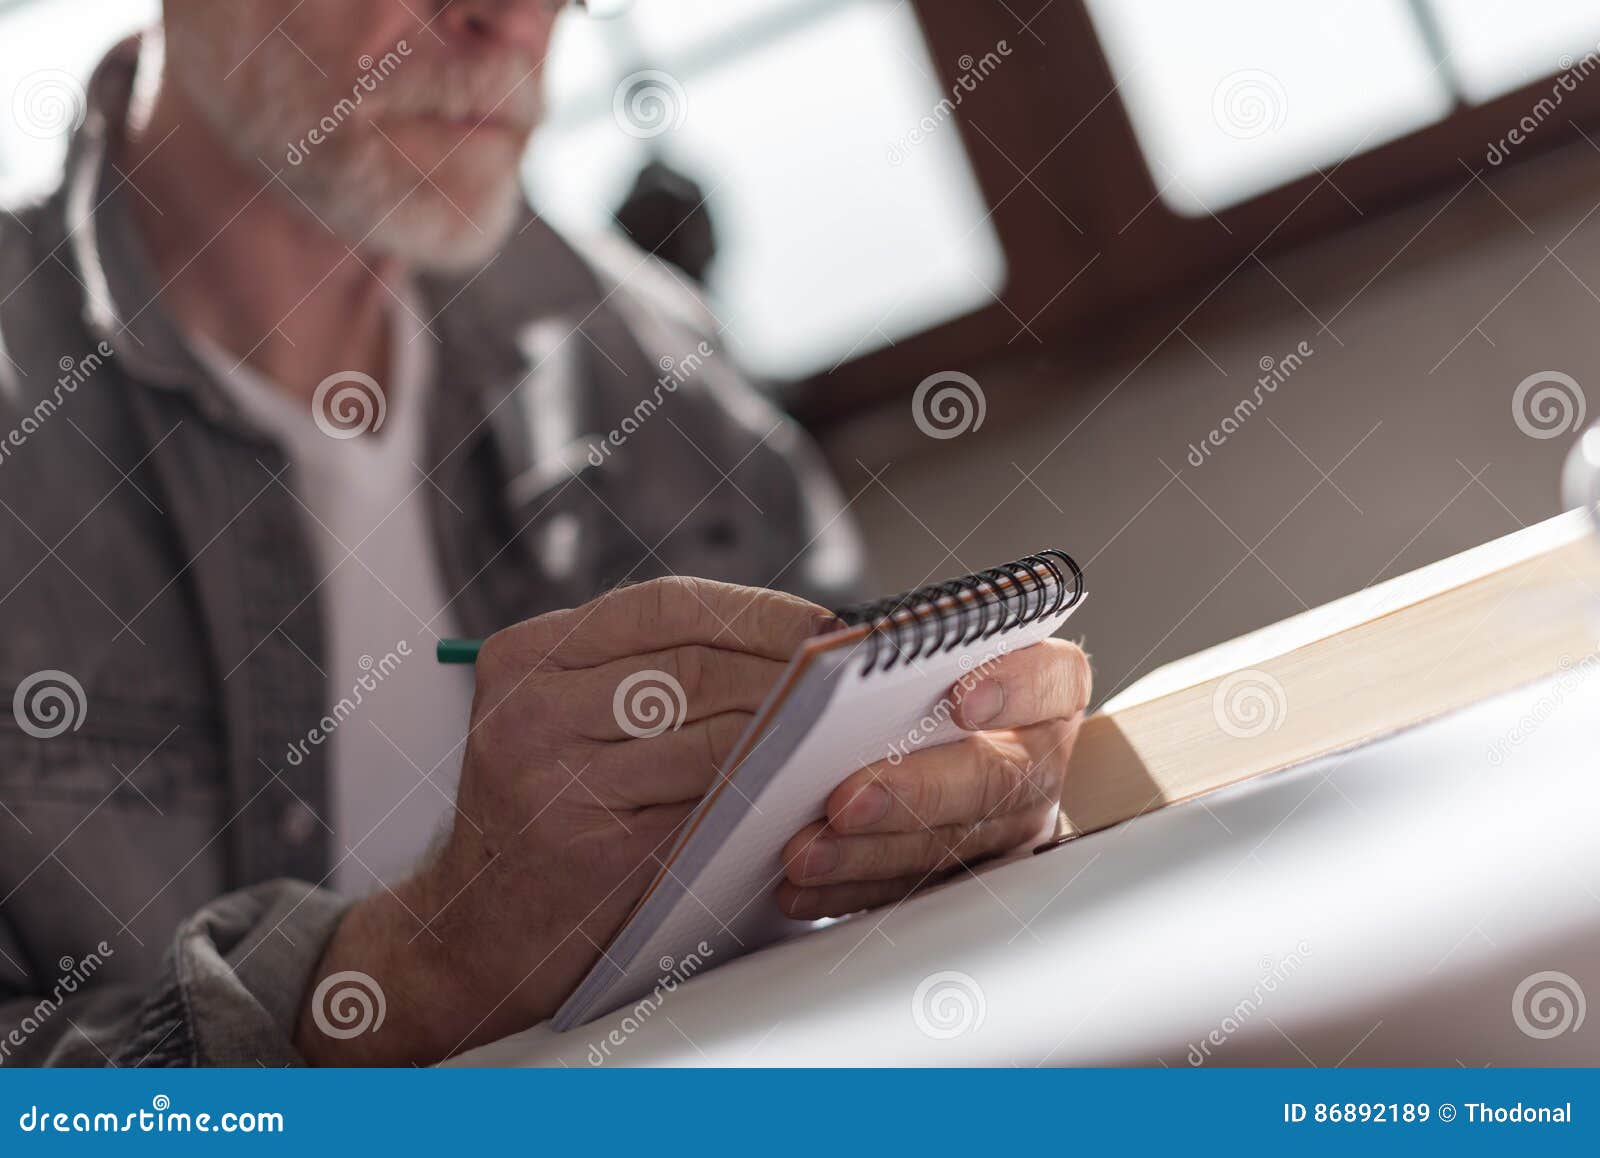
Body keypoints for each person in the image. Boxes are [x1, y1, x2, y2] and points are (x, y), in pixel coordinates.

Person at [0, 0, 1089, 1066]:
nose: (509, 22)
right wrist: (405, 978)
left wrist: (939, 819)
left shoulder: (646, 362)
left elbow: (848, 888)